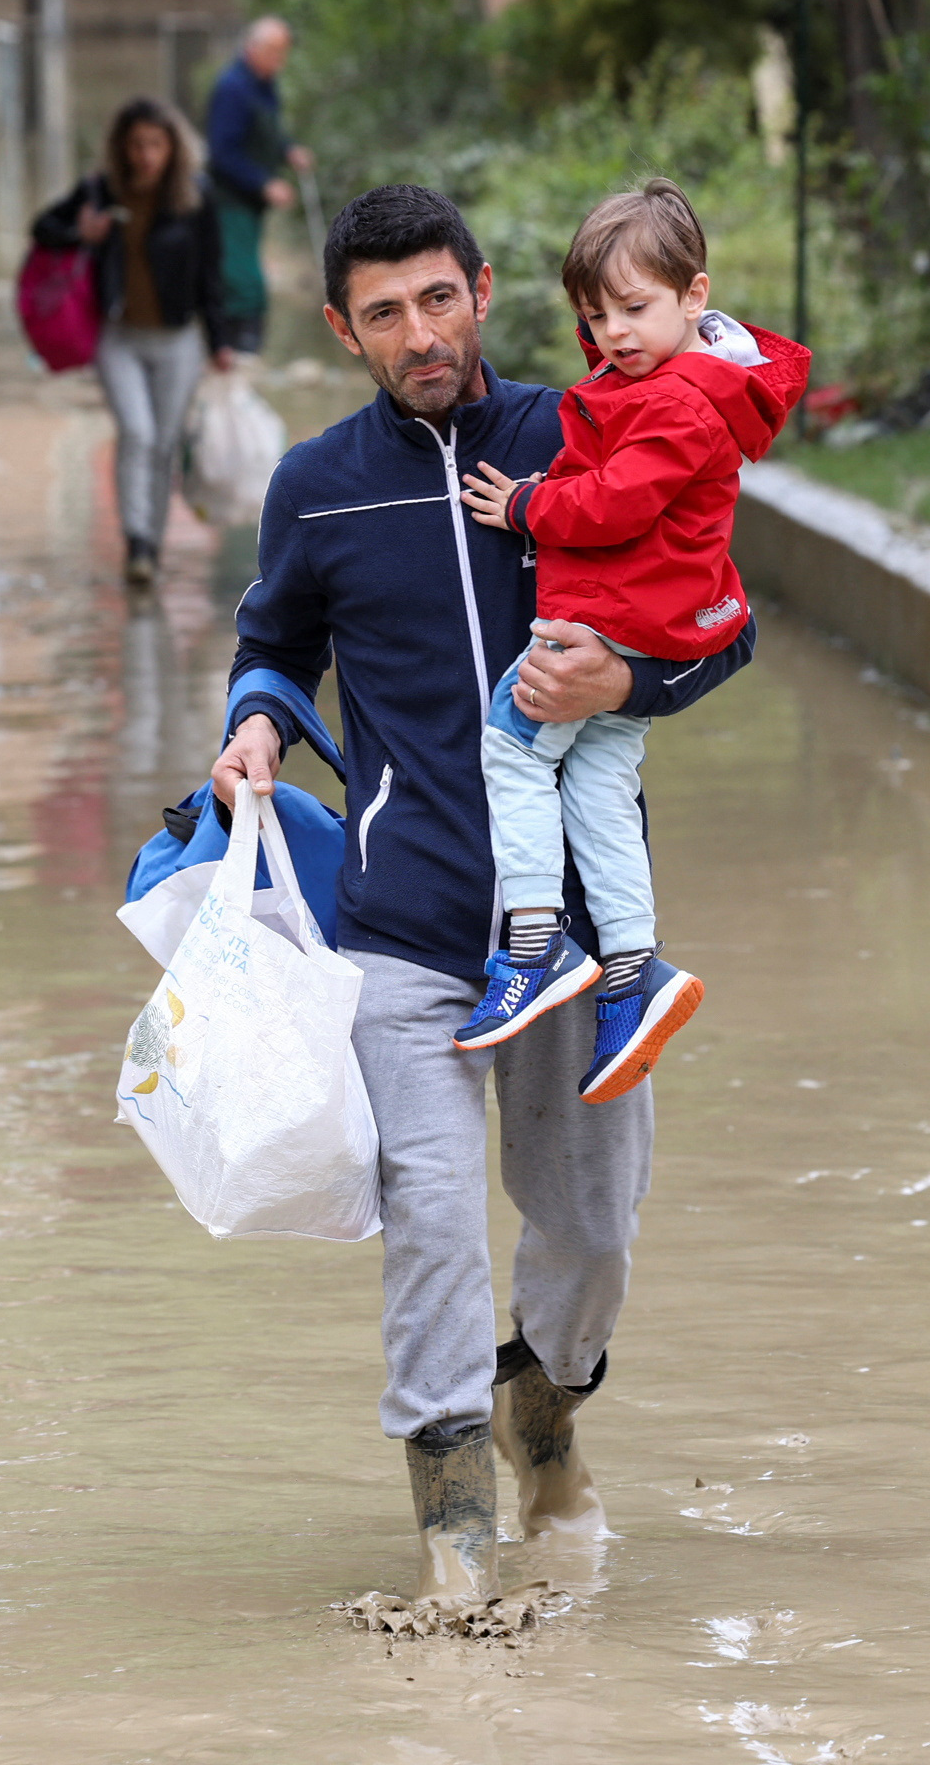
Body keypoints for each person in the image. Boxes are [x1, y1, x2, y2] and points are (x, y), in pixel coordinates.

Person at [210, 185, 753, 1604]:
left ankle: (545, 1410)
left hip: (576, 940)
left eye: (438, 298)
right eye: (383, 313)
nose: (419, 332)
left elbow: (720, 620)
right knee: (434, 1213)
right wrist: (260, 723)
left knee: (590, 1228)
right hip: (403, 933)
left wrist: (633, 679)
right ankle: (454, 1546)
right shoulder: (317, 485)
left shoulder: (579, 436)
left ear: (486, 289)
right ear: (344, 329)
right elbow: (272, 643)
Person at [448, 180, 810, 1094]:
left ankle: (534, 943)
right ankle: (630, 968)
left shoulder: (681, 402)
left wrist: (527, 505)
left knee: (514, 747)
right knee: (603, 784)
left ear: (696, 297)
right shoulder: (678, 381)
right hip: (654, 626)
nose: (614, 335)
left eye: (635, 309)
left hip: (607, 620)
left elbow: (614, 504)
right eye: (595, 314)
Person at [30, 98, 233, 586]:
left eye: (155, 144)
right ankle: (137, 541)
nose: (145, 155)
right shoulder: (101, 190)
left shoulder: (195, 197)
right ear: (122, 147)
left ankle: (152, 548)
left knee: (164, 444)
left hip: (179, 339)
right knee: (137, 434)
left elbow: (212, 274)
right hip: (117, 336)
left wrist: (221, 341)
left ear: (173, 148)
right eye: (137, 144)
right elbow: (42, 228)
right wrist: (80, 231)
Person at [203, 16, 313, 357]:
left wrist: (288, 149)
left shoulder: (264, 85)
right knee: (244, 282)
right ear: (254, 48)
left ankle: (245, 355)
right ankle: (234, 352)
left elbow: (268, 131)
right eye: (275, 52)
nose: (280, 60)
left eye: (283, 53)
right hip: (229, 201)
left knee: (245, 276)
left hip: (250, 204)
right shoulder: (232, 88)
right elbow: (222, 152)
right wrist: (264, 183)